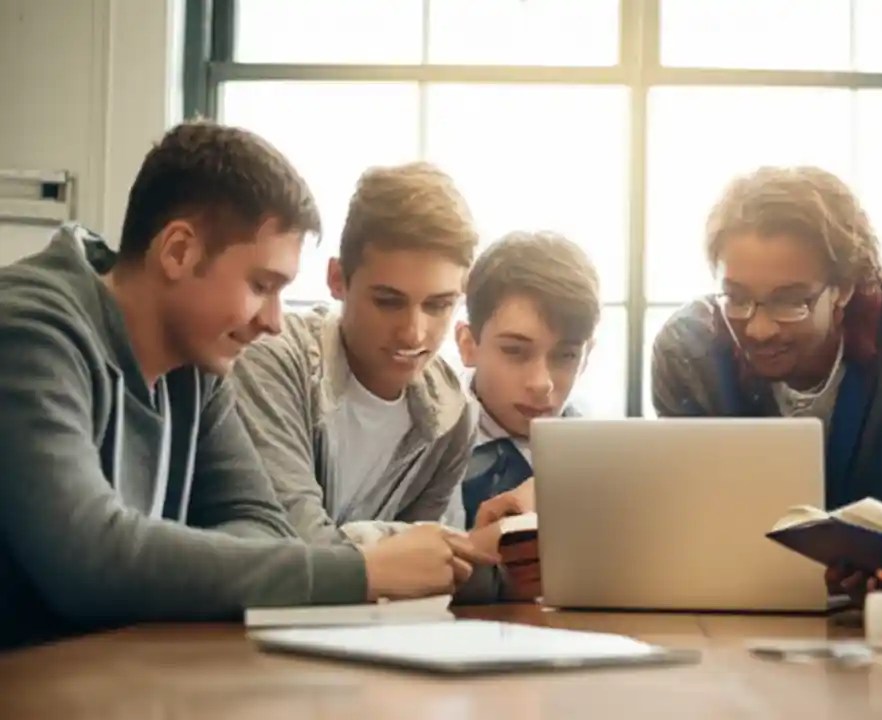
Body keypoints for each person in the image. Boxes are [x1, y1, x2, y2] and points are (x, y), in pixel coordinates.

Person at [0, 123, 492, 650]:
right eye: (262, 286)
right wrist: (363, 572)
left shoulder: (196, 363)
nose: (274, 321)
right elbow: (89, 559)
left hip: (108, 671)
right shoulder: (28, 330)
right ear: (178, 252)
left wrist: (149, 561)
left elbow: (264, 529)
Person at [649, 165, 882, 529]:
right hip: (736, 555)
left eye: (790, 301)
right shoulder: (685, 352)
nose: (759, 329)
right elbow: (686, 514)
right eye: (736, 298)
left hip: (880, 556)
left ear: (844, 289)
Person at [232, 162, 478, 549]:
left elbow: (427, 565)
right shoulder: (272, 360)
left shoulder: (454, 414)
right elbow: (295, 548)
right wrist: (450, 545)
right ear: (337, 279)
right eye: (388, 302)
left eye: (438, 306)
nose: (413, 332)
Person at [446, 230, 601, 600]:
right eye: (515, 351)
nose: (541, 384)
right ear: (468, 345)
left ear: (587, 356)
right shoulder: (423, 438)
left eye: (566, 356)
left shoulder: (600, 451)